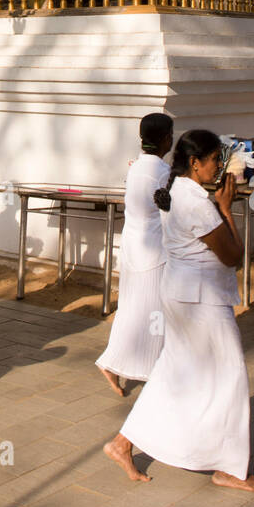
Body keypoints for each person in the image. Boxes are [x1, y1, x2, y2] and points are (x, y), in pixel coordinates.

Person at [104, 130, 254, 495]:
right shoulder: (194, 201)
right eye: (215, 160)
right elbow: (232, 255)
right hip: (200, 302)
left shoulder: (180, 188)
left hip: (185, 296)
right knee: (231, 376)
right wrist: (227, 209)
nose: (219, 168)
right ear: (195, 163)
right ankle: (229, 467)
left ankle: (122, 443)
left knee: (172, 373)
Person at [95, 112, 173, 396]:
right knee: (153, 310)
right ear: (167, 139)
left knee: (132, 307)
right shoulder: (162, 171)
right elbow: (169, 211)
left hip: (132, 245)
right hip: (152, 249)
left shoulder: (138, 166)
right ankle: (150, 368)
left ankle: (113, 361)